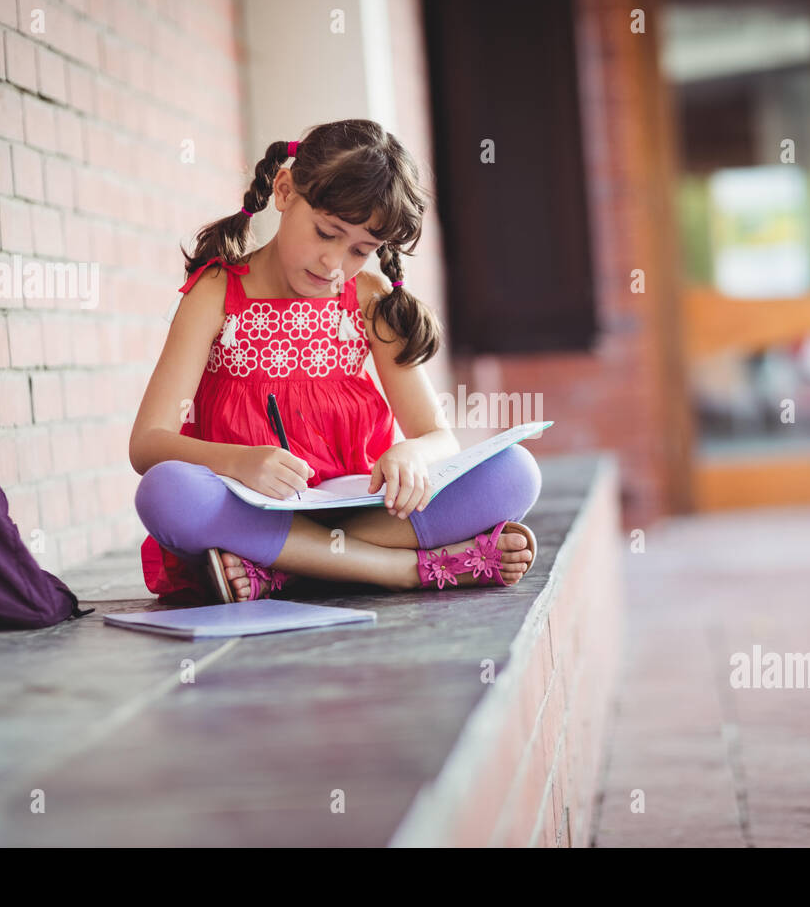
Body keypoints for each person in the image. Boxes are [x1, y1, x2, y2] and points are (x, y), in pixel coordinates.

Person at [129, 119, 542, 604]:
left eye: (360, 250)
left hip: (356, 510)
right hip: (256, 511)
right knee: (165, 493)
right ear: (284, 191)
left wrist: (411, 454)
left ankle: (286, 570)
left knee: (515, 472)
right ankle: (406, 570)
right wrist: (239, 462)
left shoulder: (368, 299)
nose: (334, 264)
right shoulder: (217, 292)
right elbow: (147, 444)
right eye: (326, 233)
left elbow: (438, 437)